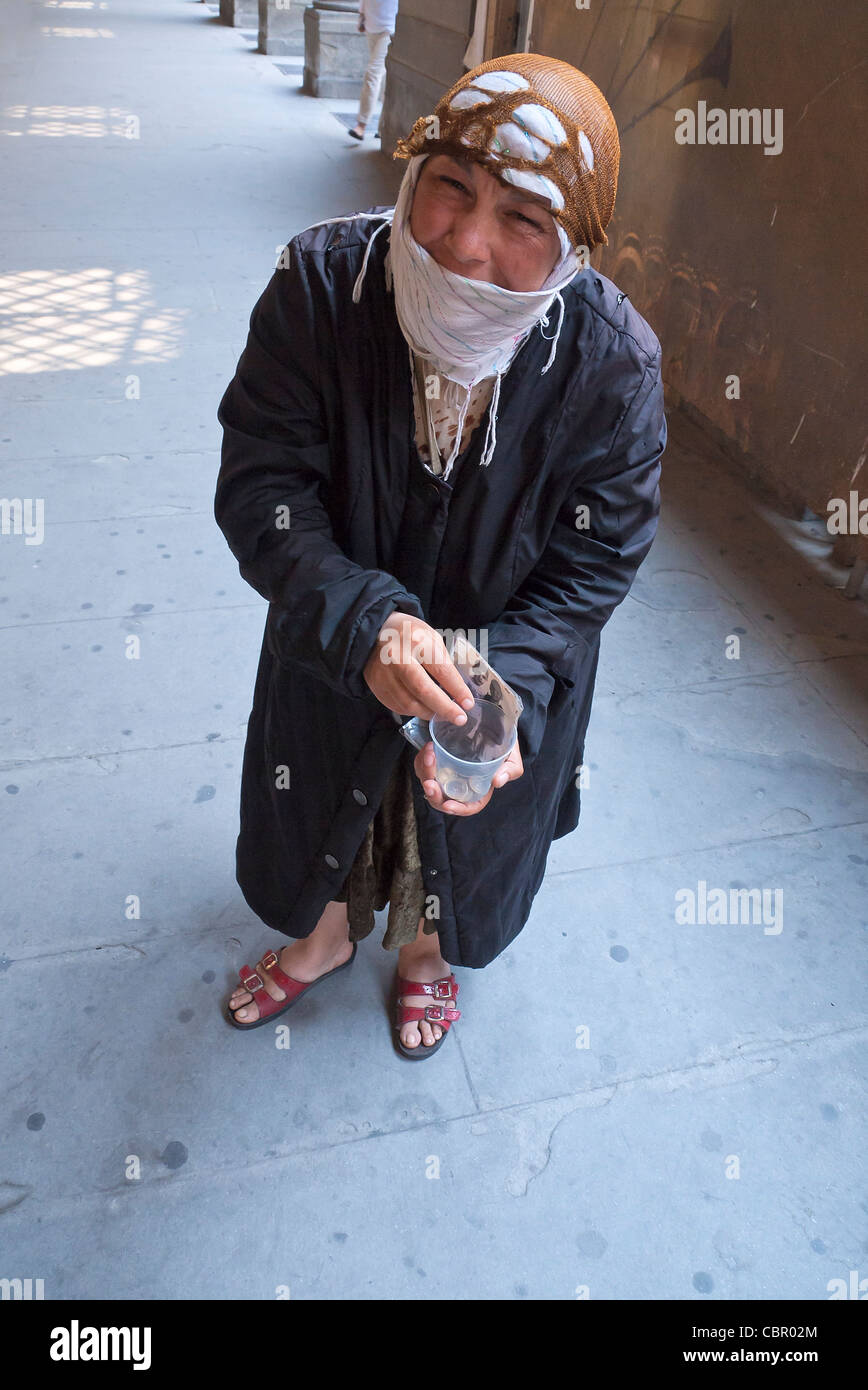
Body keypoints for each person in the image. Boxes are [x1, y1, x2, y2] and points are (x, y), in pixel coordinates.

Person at [215, 53, 667, 1057]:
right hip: (332, 633)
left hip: (498, 652)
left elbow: (595, 564)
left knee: (455, 816)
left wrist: (500, 681)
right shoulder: (322, 284)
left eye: (523, 220)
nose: (466, 245)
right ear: (411, 180)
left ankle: (426, 953)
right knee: (328, 781)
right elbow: (264, 487)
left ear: (575, 248)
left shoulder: (612, 362)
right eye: (449, 190)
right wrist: (362, 620)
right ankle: (324, 936)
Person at [349, 0, 399, 142]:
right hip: (371, 26)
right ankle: (383, 127)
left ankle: (361, 125)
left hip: (389, 29)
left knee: (372, 74)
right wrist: (362, 16)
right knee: (382, 78)